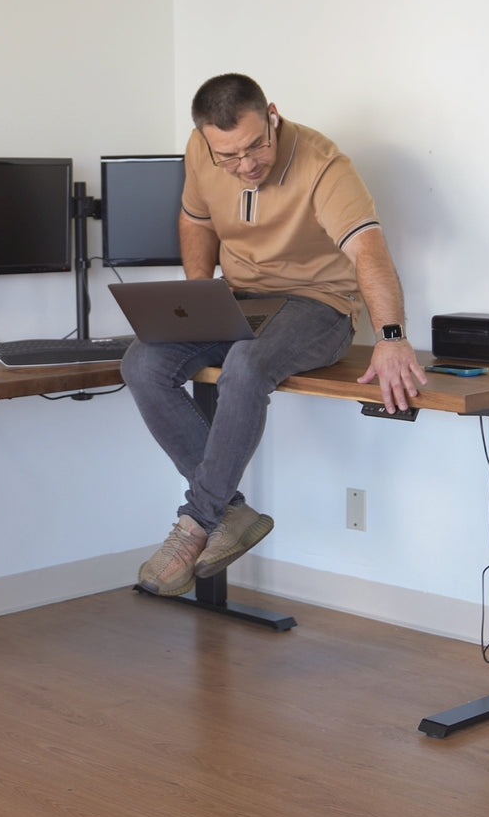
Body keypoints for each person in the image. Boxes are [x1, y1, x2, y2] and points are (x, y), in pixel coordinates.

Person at [121, 72, 425, 598]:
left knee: (246, 364)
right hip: (239, 303)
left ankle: (197, 521)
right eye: (228, 157)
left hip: (319, 307)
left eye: (254, 147)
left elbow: (368, 250)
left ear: (272, 115)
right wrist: (198, 296)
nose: (244, 165)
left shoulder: (323, 165)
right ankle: (229, 514)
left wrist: (392, 336)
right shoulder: (202, 151)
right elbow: (195, 219)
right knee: (141, 363)